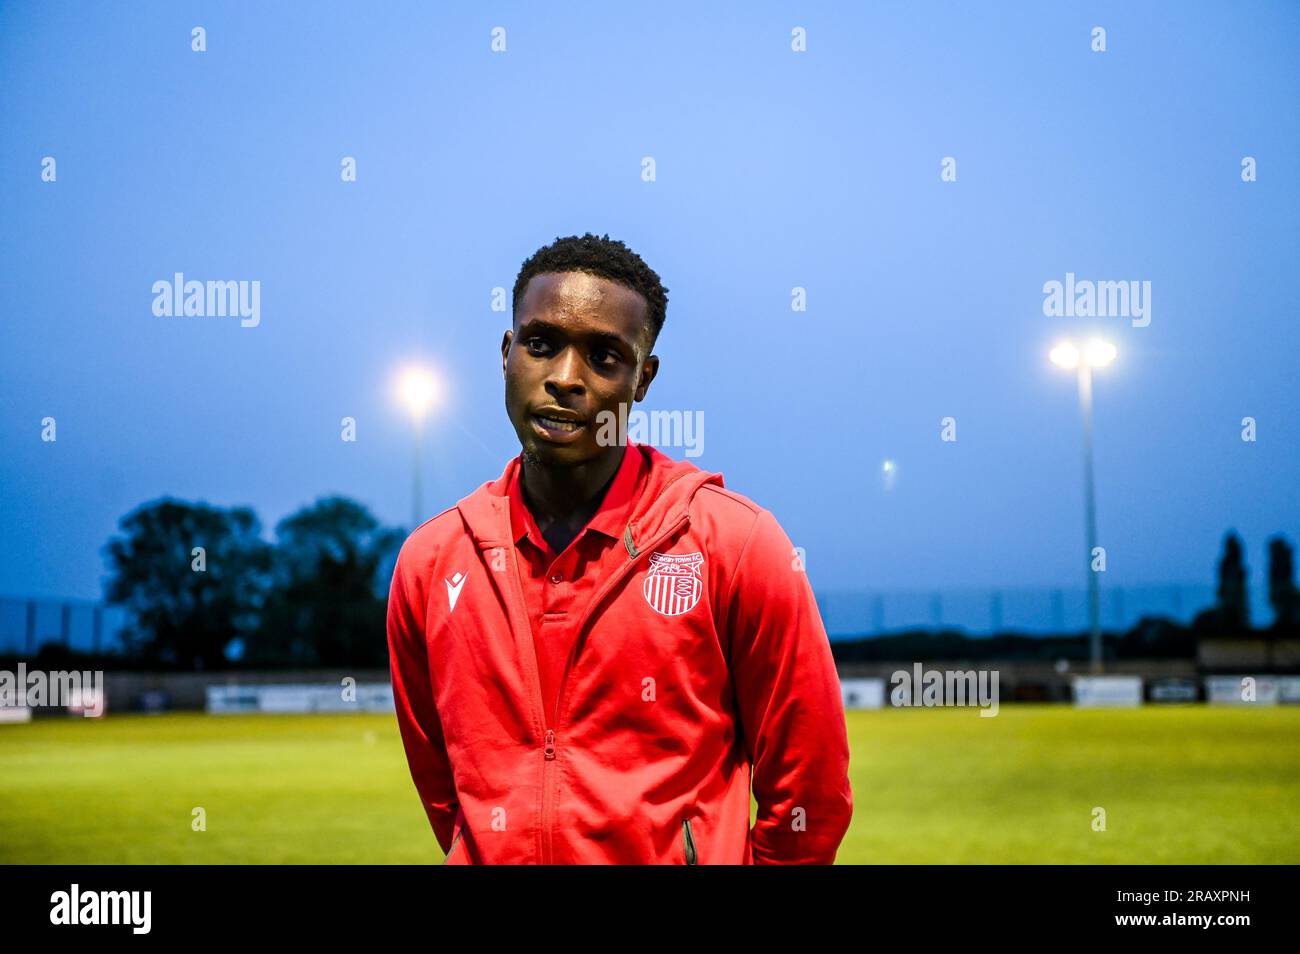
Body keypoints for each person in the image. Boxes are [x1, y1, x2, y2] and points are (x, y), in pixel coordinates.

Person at [386, 232, 852, 864]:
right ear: (506, 352)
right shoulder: (431, 560)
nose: (565, 379)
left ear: (644, 378)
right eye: (541, 343)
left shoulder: (734, 545)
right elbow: (445, 793)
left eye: (604, 356)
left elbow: (811, 792)